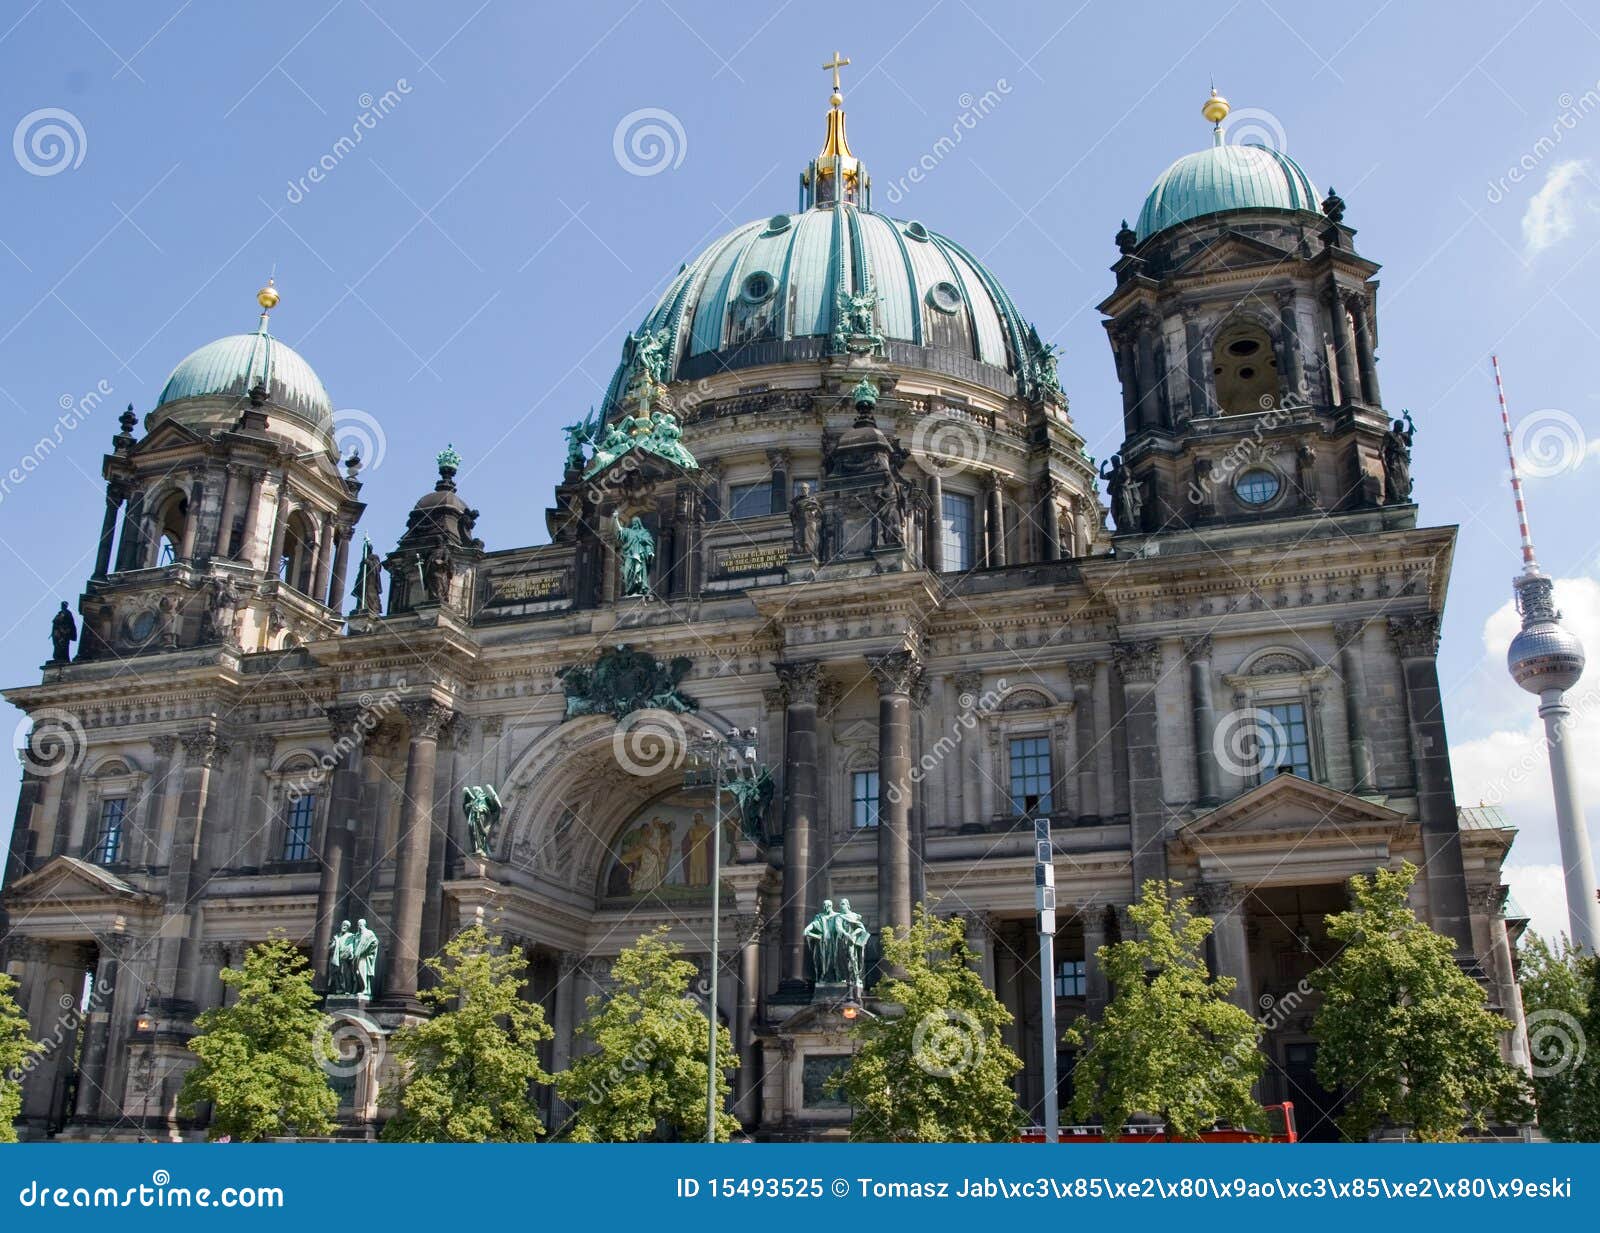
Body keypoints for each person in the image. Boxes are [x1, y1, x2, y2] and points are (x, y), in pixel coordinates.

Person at [352, 919, 380, 1000]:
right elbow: (354, 945)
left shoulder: (369, 933)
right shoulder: (357, 935)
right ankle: (360, 989)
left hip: (364, 957)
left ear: (364, 925)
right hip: (356, 957)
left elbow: (375, 942)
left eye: (361, 925)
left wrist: (368, 950)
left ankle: (365, 989)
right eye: (358, 924)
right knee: (357, 974)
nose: (359, 926)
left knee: (362, 972)